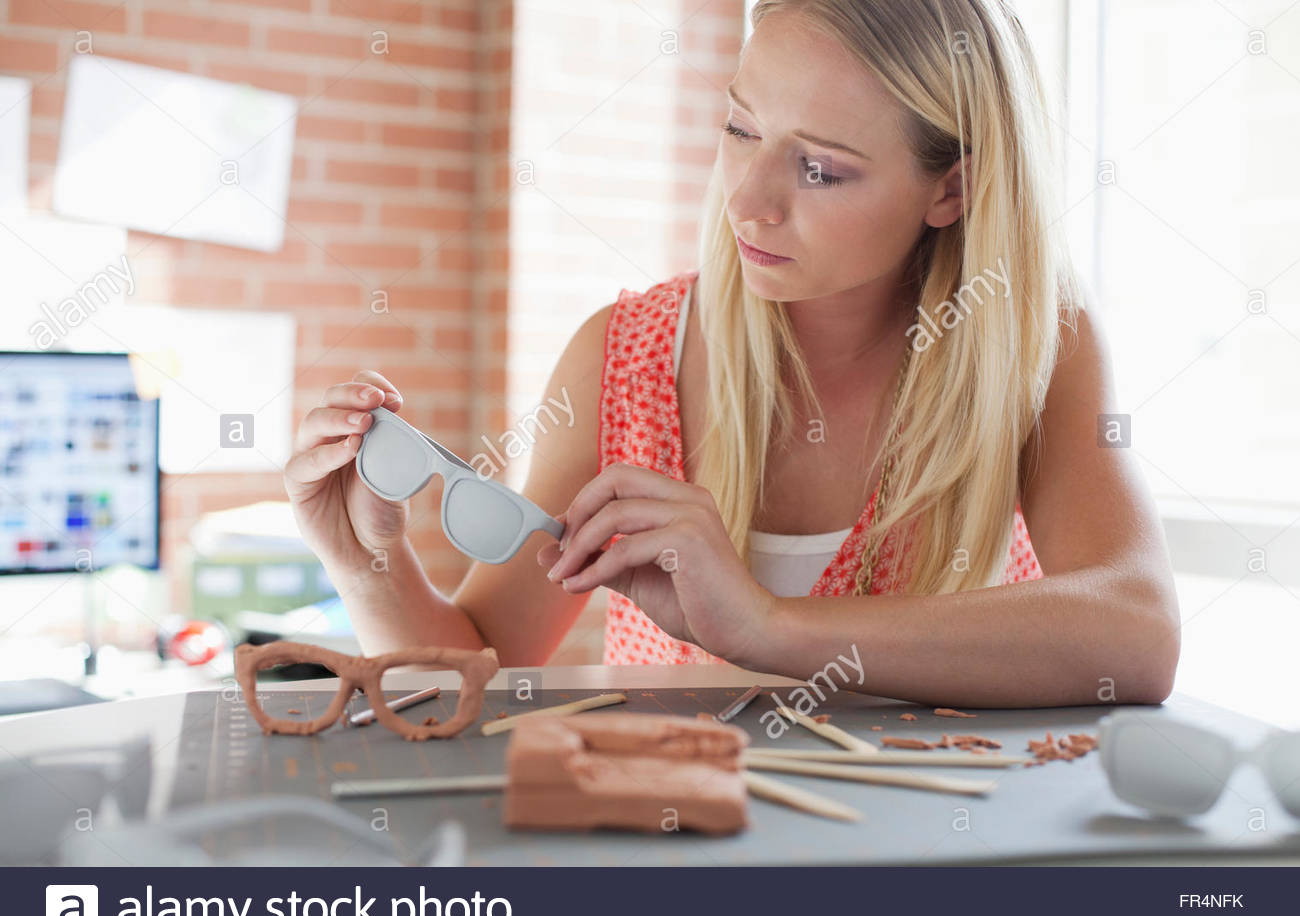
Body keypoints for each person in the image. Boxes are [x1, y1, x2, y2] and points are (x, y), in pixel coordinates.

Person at [284, 0, 1179, 707]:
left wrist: (769, 629)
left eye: (819, 168)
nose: (747, 201)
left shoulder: (1032, 343)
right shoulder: (626, 357)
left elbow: (1135, 633)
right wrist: (362, 557)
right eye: (742, 129)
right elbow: (467, 680)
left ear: (952, 188)